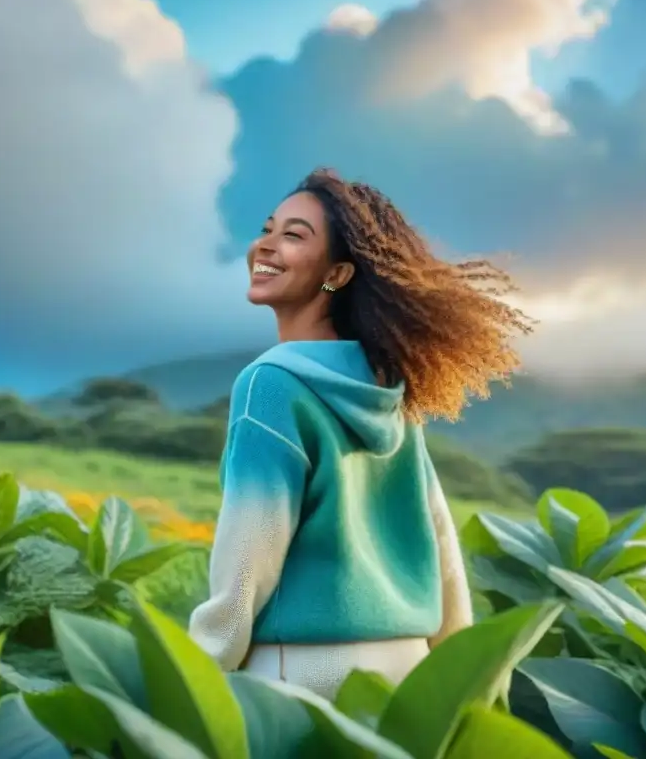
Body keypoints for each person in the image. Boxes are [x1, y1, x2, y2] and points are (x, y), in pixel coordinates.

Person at [187, 168, 532, 700]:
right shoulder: (389, 389)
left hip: (302, 677)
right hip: (408, 671)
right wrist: (467, 681)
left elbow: (250, 553)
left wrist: (195, 672)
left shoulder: (271, 384)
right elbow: (441, 544)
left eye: (294, 236)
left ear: (338, 274)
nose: (265, 245)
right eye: (268, 228)